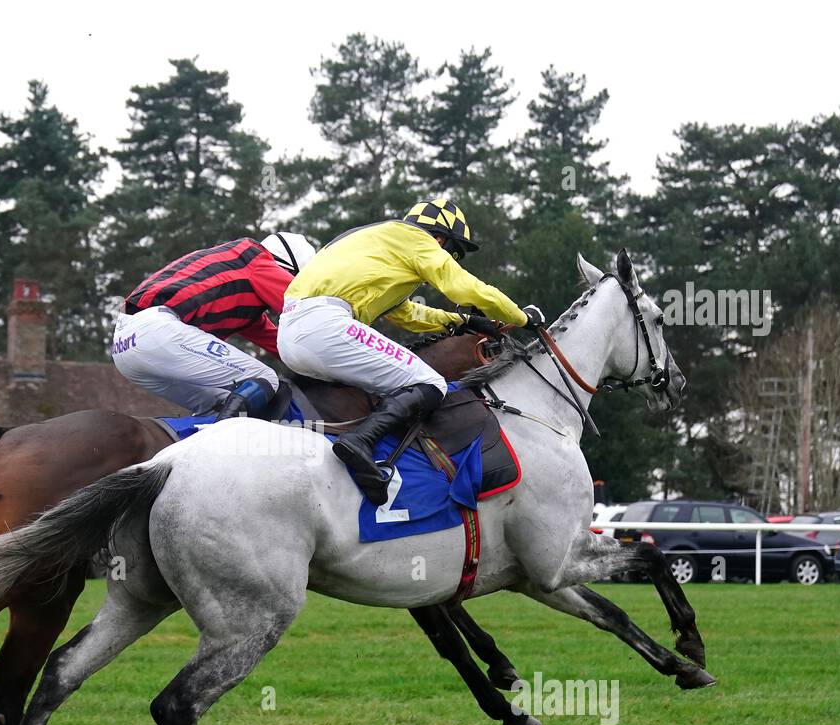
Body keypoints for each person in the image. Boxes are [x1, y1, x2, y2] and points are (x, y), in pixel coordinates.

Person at [278, 197, 544, 503]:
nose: (449, 259)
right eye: (451, 252)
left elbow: (407, 314)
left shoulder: (383, 244)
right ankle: (359, 442)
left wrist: (464, 321)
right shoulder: (416, 238)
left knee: (392, 387)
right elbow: (464, 287)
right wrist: (522, 318)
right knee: (431, 383)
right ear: (440, 238)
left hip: (294, 333)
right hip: (324, 326)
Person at [111, 232, 316, 420]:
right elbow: (308, 314)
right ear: (287, 271)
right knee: (264, 378)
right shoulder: (259, 261)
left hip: (123, 347)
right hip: (156, 330)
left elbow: (279, 344)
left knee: (218, 404)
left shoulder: (244, 297)